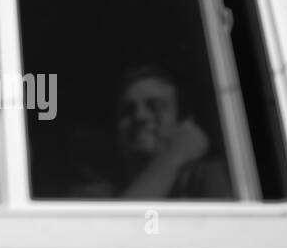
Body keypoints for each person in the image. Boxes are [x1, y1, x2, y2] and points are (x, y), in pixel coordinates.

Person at [69, 65, 233, 200]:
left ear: (182, 122)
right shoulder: (91, 197)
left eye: (155, 106)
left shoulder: (206, 178)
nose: (140, 116)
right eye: (127, 111)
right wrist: (173, 155)